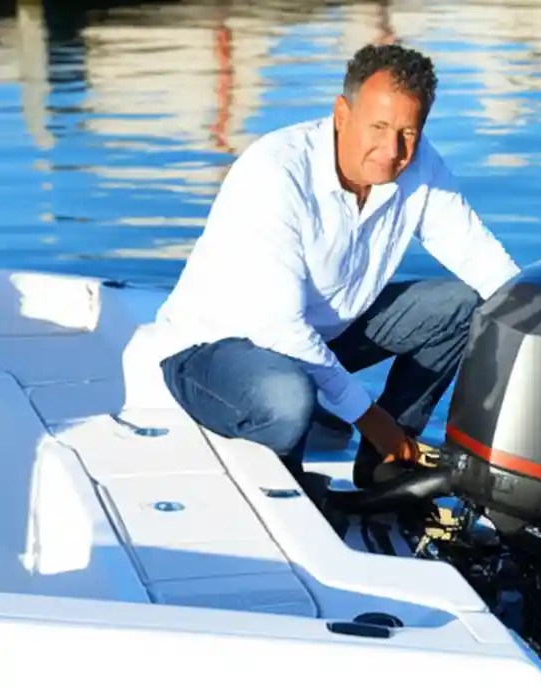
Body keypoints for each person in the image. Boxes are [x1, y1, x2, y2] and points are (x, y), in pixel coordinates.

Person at [152, 43, 520, 488]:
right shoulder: (276, 172)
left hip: (323, 336)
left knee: (461, 305)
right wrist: (366, 414)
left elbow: (485, 264)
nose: (391, 150)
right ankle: (289, 491)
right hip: (212, 350)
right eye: (379, 126)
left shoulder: (420, 166)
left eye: (408, 132)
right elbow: (279, 327)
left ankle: (384, 464)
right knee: (287, 399)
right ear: (342, 115)